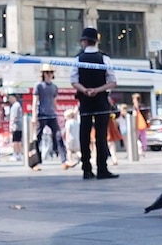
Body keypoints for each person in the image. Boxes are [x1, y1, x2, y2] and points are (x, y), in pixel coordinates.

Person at [71, 26, 119, 179]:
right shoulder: (104, 58)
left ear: (84, 41)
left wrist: (86, 90)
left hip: (85, 100)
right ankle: (102, 169)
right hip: (101, 100)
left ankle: (86, 169)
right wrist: (98, 90)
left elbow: (73, 81)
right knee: (101, 135)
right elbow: (112, 82)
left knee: (84, 134)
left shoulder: (77, 59)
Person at [33, 68, 65, 165]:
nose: (49, 74)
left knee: (58, 135)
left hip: (52, 114)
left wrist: (57, 111)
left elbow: (54, 101)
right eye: (47, 72)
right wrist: (34, 115)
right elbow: (35, 100)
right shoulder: (38, 85)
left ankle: (64, 159)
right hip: (42, 114)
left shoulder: (54, 87)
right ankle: (36, 160)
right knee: (38, 137)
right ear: (43, 73)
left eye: (51, 72)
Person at [6, 92, 26, 163]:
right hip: (18, 125)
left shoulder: (15, 105)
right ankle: (18, 153)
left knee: (16, 140)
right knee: (17, 140)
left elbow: (14, 116)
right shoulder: (17, 105)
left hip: (16, 125)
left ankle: (17, 153)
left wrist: (11, 125)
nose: (10, 100)